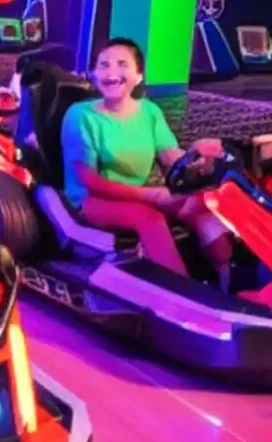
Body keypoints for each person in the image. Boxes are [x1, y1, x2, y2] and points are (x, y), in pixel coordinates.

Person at [61, 37, 233, 284]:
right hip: (90, 199)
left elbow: (171, 157)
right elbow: (89, 181)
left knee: (200, 206)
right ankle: (181, 293)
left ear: (138, 75)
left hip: (138, 192)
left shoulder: (149, 111)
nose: (111, 73)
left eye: (122, 64)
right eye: (104, 65)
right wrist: (151, 196)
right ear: (94, 74)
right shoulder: (80, 116)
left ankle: (228, 278)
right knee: (148, 217)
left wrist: (197, 159)